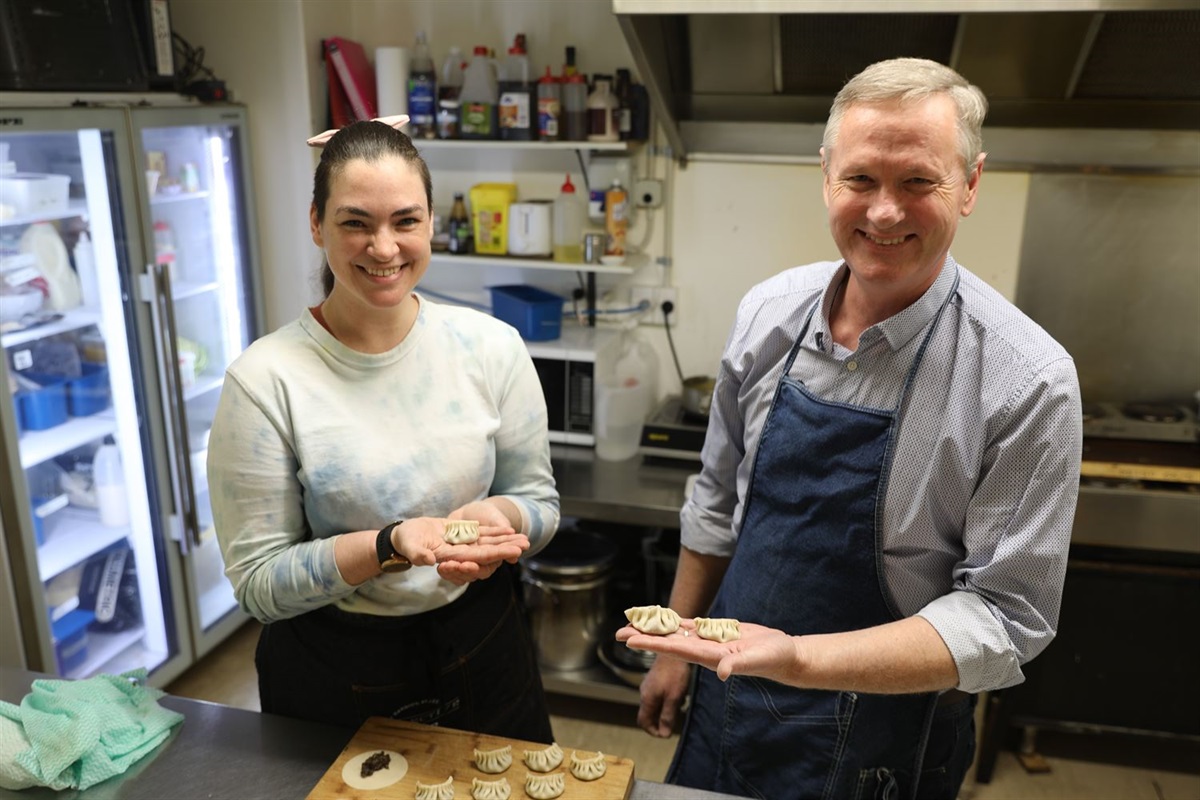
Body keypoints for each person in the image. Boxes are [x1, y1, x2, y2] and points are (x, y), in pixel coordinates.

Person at [618, 58, 1082, 799]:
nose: (885, 212)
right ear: (826, 174)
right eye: (861, 180)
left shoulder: (1028, 380)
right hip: (732, 690)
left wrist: (799, 659)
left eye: (918, 183)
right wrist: (677, 644)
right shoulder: (769, 312)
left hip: (887, 733)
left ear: (970, 185)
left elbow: (1005, 615)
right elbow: (714, 500)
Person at [207, 116, 560, 741]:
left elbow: (540, 502)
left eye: (405, 220)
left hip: (485, 640)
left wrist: (504, 518)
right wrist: (388, 546)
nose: (384, 247)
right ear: (316, 223)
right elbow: (259, 586)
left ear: (430, 221)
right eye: (355, 223)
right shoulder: (265, 382)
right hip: (334, 665)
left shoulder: (492, 347)